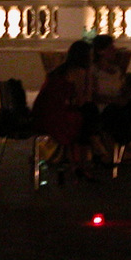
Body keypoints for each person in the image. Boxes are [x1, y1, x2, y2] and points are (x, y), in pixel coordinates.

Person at [32, 41, 96, 175]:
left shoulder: (60, 70)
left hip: (41, 114)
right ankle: (90, 155)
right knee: (89, 112)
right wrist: (89, 78)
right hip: (58, 117)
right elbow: (83, 100)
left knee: (88, 114)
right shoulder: (79, 72)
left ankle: (89, 154)